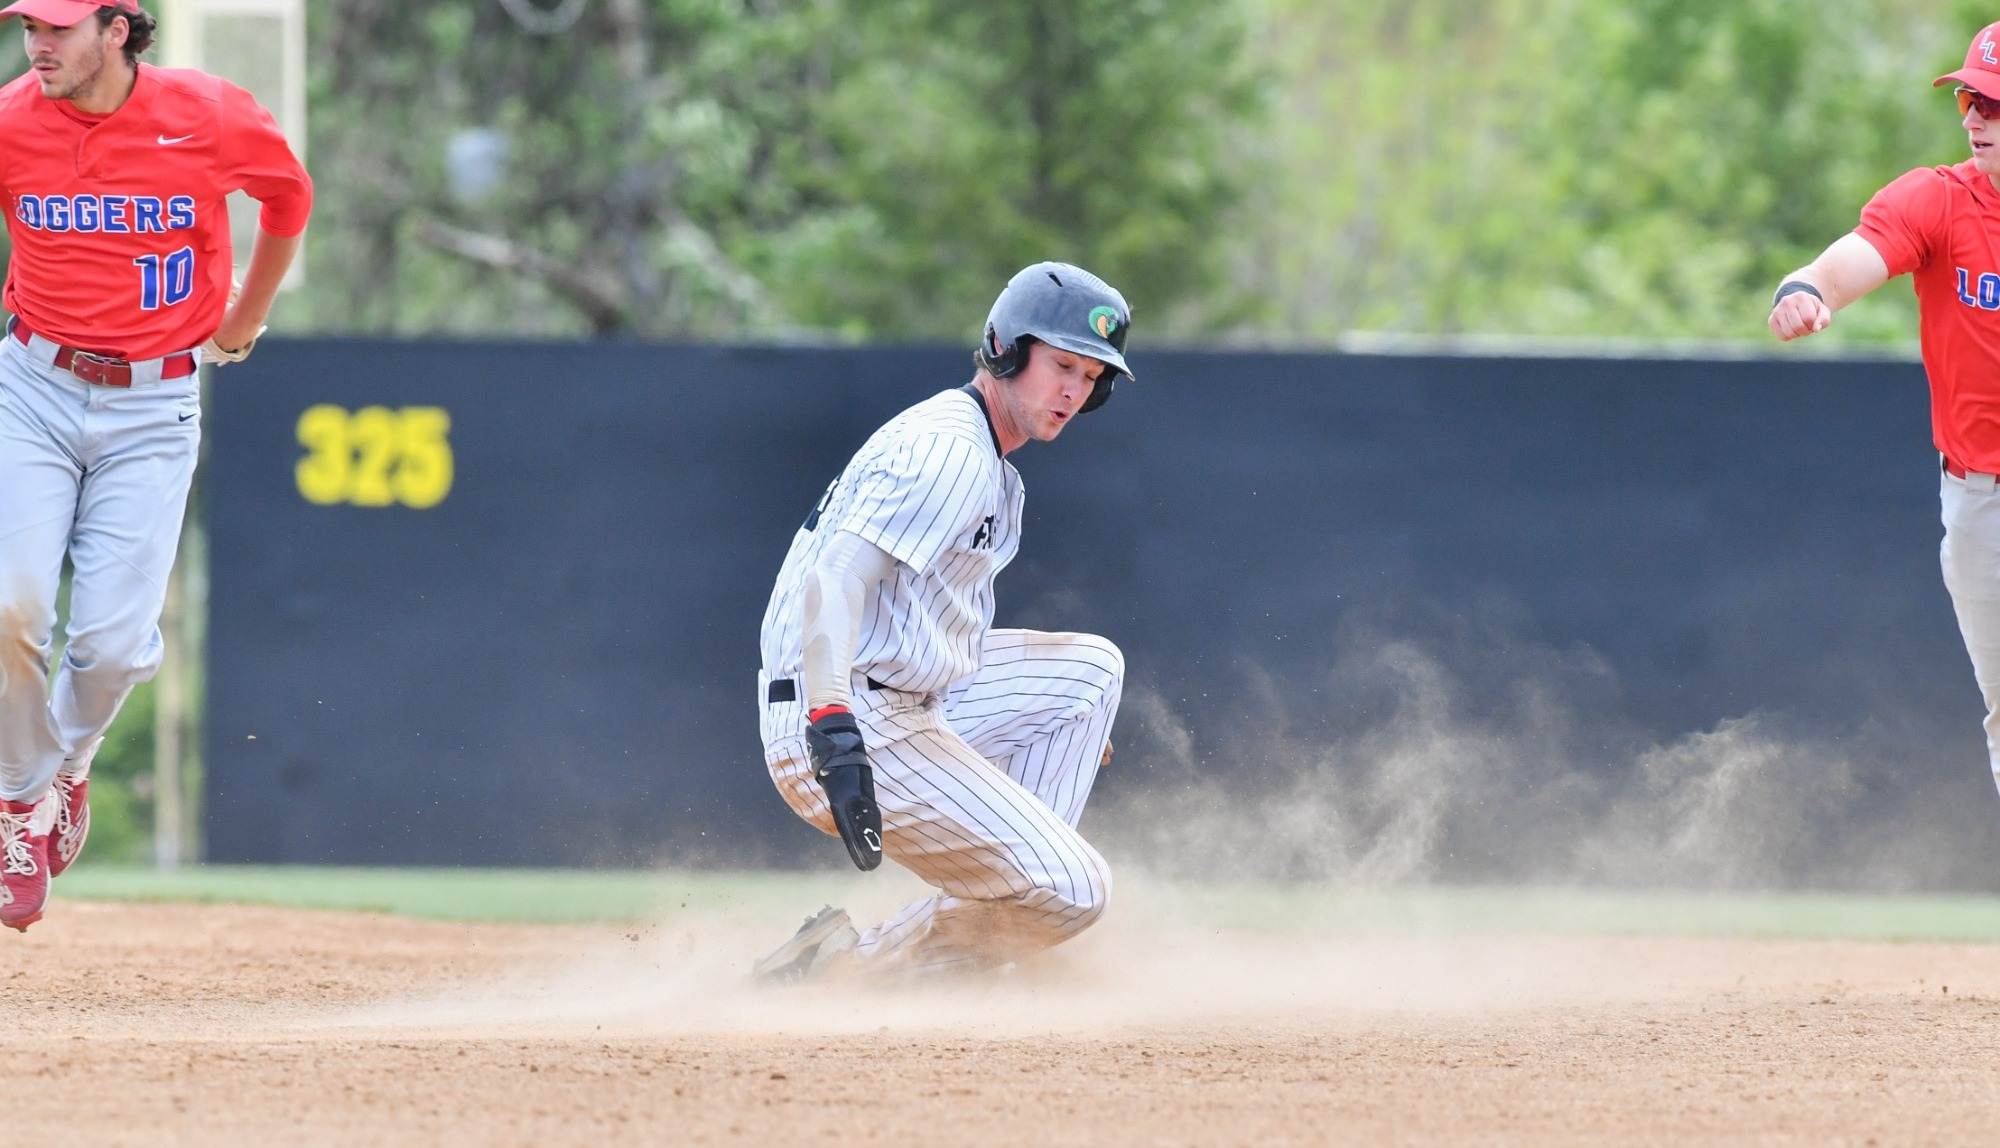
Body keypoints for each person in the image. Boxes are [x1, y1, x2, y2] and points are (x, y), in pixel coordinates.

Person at [0, 0, 312, 930]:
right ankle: (20, 801)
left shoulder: (206, 113)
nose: (39, 44)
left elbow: (288, 195)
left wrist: (247, 320)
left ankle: (70, 765)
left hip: (154, 401)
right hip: (35, 386)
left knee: (105, 645)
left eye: (58, 28)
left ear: (120, 29)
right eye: (28, 28)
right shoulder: (14, 119)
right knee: (12, 600)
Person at [751, 262, 1133, 981]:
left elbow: (920, 624)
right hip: (844, 711)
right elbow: (834, 578)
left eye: (1089, 377)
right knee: (1077, 889)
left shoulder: (977, 450)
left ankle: (986, 945)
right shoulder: (952, 453)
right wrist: (833, 726)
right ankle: (852, 969)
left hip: (898, 695)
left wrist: (1040, 714)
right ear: (1005, 350)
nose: (1072, 390)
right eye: (1060, 365)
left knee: (1089, 676)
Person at [1771, 21, 2000, 803]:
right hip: (1982, 499)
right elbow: (1848, 260)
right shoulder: (1940, 200)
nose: (1975, 116)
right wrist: (1808, 290)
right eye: (1971, 97)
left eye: (1996, 105)